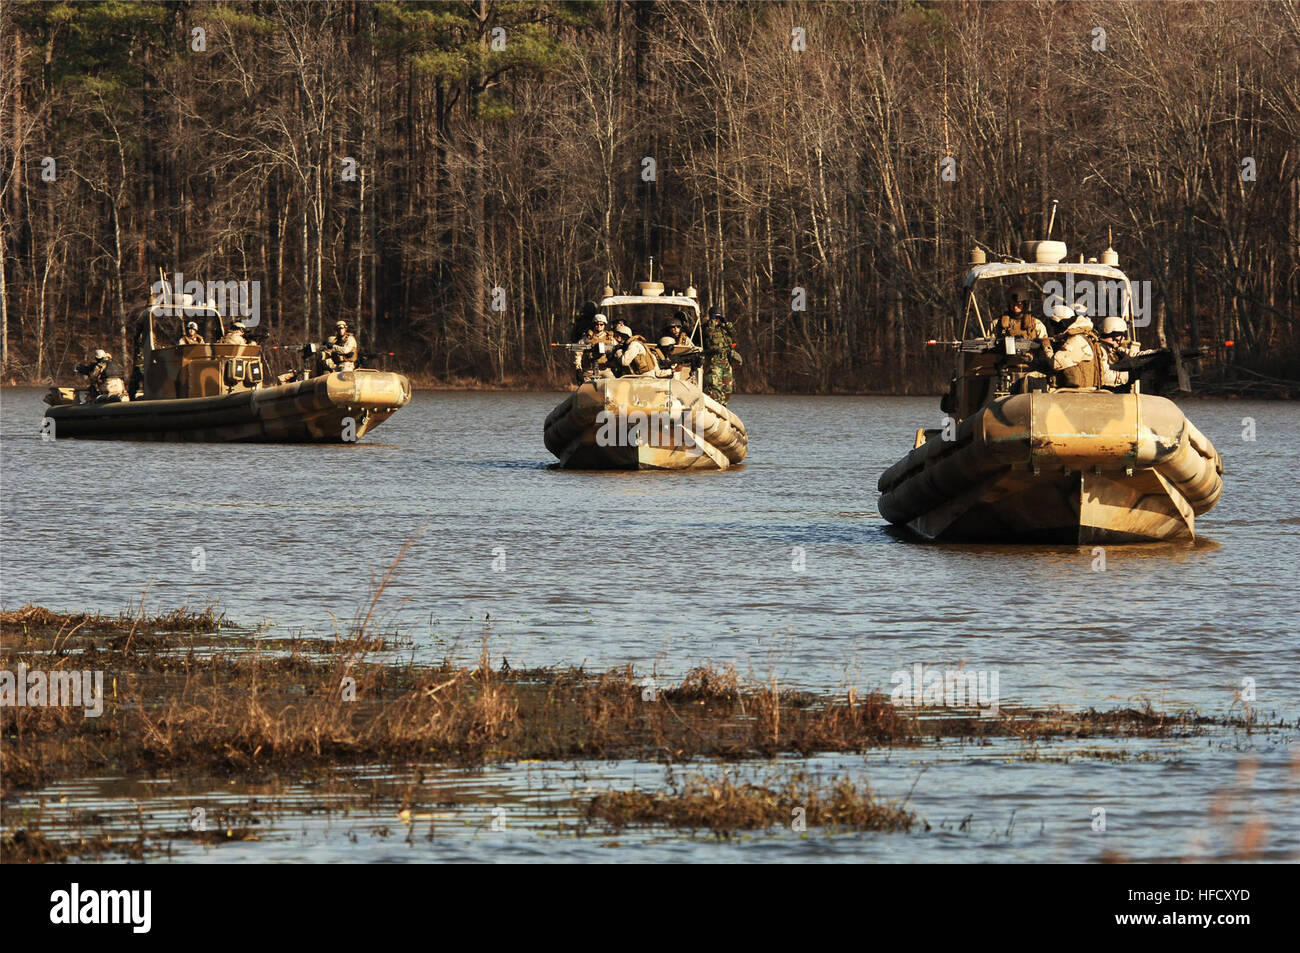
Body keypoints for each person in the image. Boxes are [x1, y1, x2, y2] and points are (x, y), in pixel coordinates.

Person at [1051, 309, 1101, 388]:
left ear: (1060, 323)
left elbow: (1055, 363)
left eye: (1053, 325)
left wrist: (1046, 348)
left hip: (1078, 395)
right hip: (1077, 394)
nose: (1053, 329)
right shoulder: (1079, 336)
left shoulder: (1076, 339)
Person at [703, 306, 740, 404]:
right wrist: (712, 323)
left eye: (719, 318)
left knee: (727, 388)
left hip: (726, 362)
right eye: (716, 317)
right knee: (715, 388)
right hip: (714, 362)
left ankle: (723, 406)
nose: (717, 320)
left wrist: (727, 323)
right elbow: (707, 334)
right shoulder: (706, 327)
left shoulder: (724, 329)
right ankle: (714, 406)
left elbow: (734, 335)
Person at [574, 312, 615, 382]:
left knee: (614, 386)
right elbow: (578, 353)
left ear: (604, 325)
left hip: (605, 370)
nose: (599, 326)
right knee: (585, 389)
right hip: (589, 370)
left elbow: (617, 350)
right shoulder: (586, 338)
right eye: (596, 324)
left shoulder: (610, 339)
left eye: (601, 324)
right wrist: (578, 369)